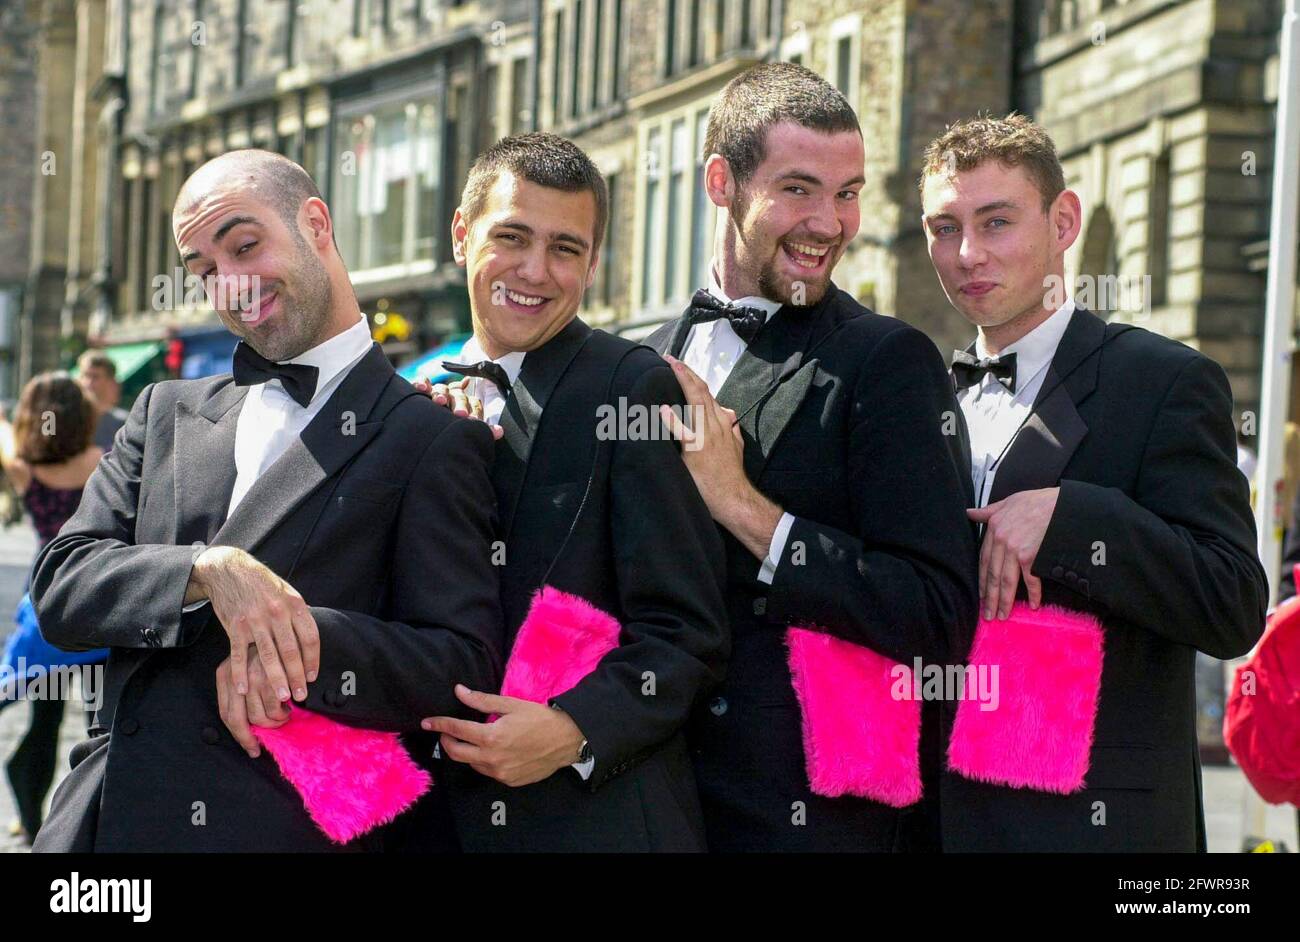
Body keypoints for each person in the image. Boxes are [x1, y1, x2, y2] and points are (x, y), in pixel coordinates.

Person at [30, 149, 504, 852]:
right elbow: (62, 586)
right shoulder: (164, 411)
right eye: (205, 270)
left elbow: (460, 665)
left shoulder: (431, 435)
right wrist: (206, 571)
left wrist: (293, 640)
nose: (231, 285)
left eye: (245, 246)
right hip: (116, 831)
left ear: (316, 223)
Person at [641, 63, 979, 851]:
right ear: (721, 181)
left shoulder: (887, 360)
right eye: (799, 189)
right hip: (650, 806)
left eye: (848, 193)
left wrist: (747, 511)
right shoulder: (641, 361)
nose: (830, 222)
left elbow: (937, 614)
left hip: (814, 824)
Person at [920, 113, 1267, 851]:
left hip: (1100, 832)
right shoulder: (918, 397)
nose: (967, 253)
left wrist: (1071, 519)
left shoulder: (1165, 381)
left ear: (1064, 221)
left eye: (996, 221)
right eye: (943, 228)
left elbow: (1233, 602)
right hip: (939, 826)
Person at [412, 133, 729, 852]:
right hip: (437, 825)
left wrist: (574, 731)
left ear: (592, 262)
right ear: (463, 236)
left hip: (594, 822)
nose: (535, 270)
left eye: (565, 248)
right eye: (512, 237)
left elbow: (688, 633)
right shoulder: (411, 401)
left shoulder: (629, 385)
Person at [0, 374, 103, 843]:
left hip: (47, 608)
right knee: (102, 726)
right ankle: (95, 816)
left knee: (45, 722)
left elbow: (8, 439)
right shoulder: (100, 462)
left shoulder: (24, 469)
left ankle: (33, 822)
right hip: (98, 604)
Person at [76, 351, 128, 453]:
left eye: (95, 377)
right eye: (85, 375)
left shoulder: (124, 422)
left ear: (110, 381)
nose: (88, 383)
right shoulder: (68, 419)